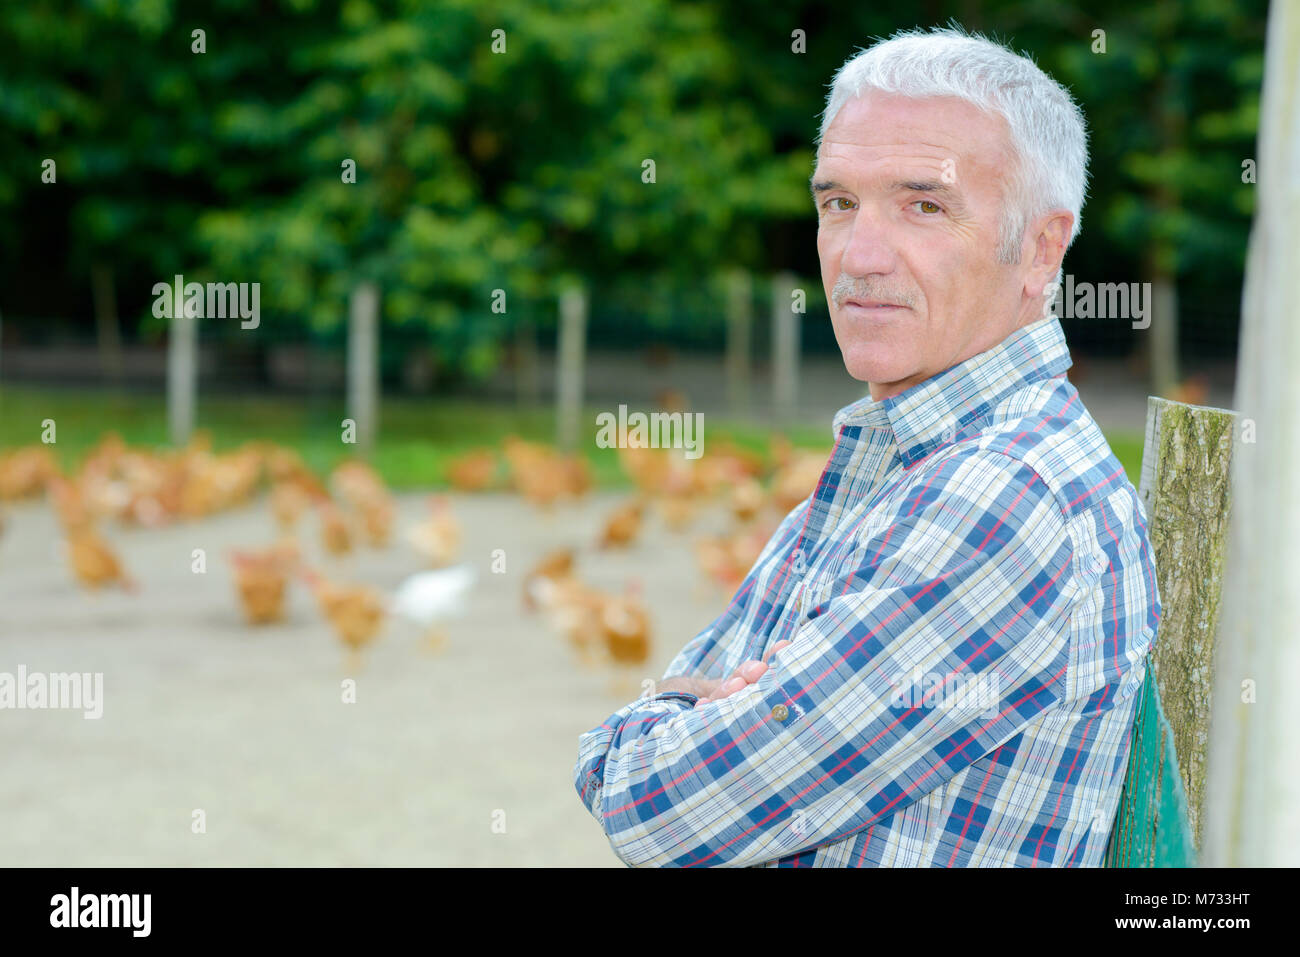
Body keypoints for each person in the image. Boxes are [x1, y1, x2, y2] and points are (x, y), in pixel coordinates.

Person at [573, 24, 1160, 867]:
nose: (859, 255)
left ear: (1041, 248)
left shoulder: (1002, 498)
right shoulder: (907, 451)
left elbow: (653, 811)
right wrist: (707, 708)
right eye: (839, 202)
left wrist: (678, 714)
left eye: (924, 205)